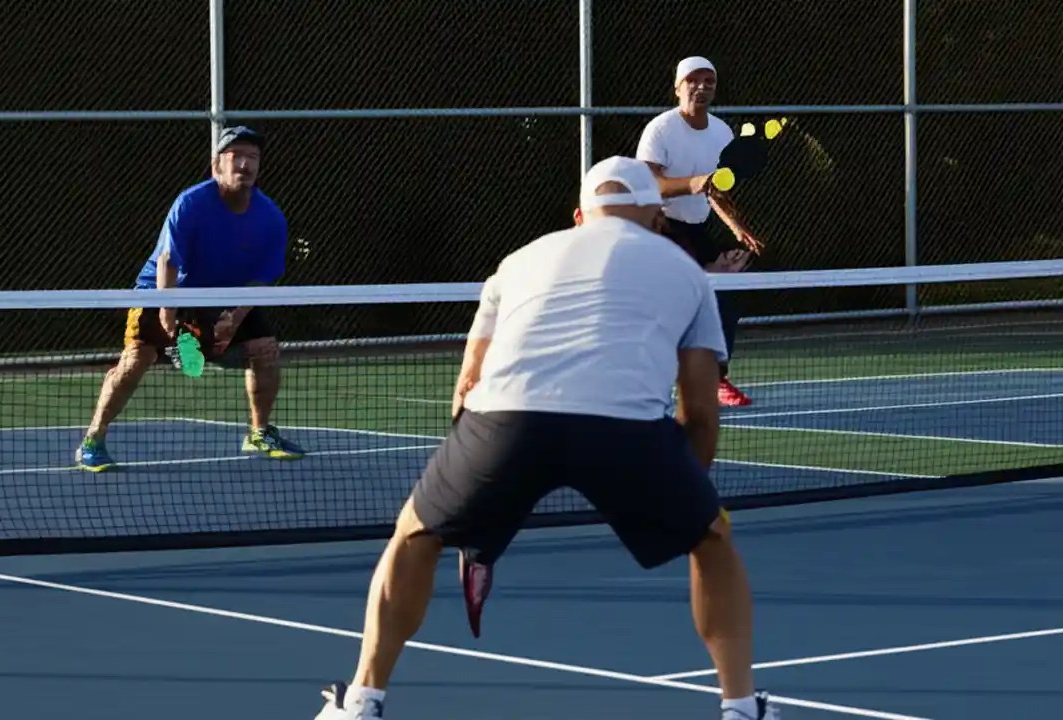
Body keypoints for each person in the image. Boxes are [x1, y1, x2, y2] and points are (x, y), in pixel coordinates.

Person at [312, 156, 778, 720]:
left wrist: (465, 501)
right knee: (713, 542)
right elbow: (701, 412)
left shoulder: (517, 262)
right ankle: (740, 708)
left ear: (581, 215)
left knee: (414, 533)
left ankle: (360, 702)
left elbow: (466, 388)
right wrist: (691, 503)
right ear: (656, 218)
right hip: (626, 431)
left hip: (505, 422)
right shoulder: (688, 274)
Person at [74, 125, 307, 471]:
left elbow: (263, 277)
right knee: (137, 359)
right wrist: (168, 314)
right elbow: (169, 261)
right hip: (164, 289)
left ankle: (259, 432)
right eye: (236, 157)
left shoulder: (271, 217)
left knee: (266, 350)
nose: (245, 164)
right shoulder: (191, 203)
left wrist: (237, 317)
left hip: (224, 296)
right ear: (217, 167)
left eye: (253, 158)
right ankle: (93, 439)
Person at [635, 55, 762, 407]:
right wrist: (693, 183)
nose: (702, 87)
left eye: (709, 81)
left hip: (697, 228)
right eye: (694, 80)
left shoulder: (722, 133)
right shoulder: (660, 130)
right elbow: (649, 183)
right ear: (678, 87)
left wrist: (737, 227)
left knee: (727, 292)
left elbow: (715, 189)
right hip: (657, 228)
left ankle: (717, 379)